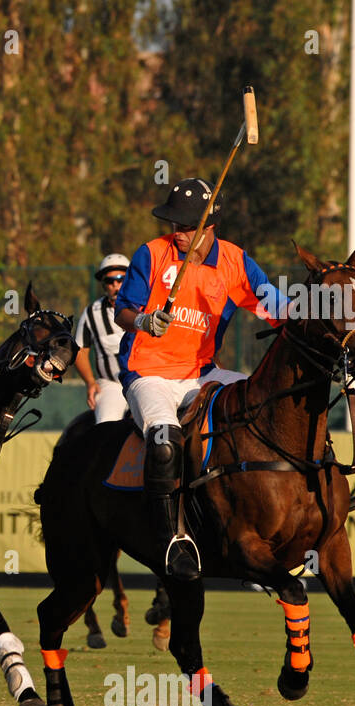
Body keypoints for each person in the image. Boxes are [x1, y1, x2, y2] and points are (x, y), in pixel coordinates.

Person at [113, 178, 284, 581]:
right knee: (165, 441)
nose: (179, 232)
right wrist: (143, 320)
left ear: (210, 226)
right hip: (148, 370)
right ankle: (172, 536)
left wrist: (311, 311)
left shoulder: (234, 261)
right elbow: (122, 310)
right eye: (175, 223)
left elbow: (273, 304)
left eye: (188, 225)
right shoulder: (151, 254)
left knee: (263, 407)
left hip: (201, 372)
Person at [76, 253, 131, 423]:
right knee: (106, 424)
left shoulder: (148, 305)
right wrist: (90, 382)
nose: (115, 284)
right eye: (109, 281)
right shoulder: (92, 312)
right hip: (112, 385)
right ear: (103, 284)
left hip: (146, 380)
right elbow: (80, 351)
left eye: (121, 278)